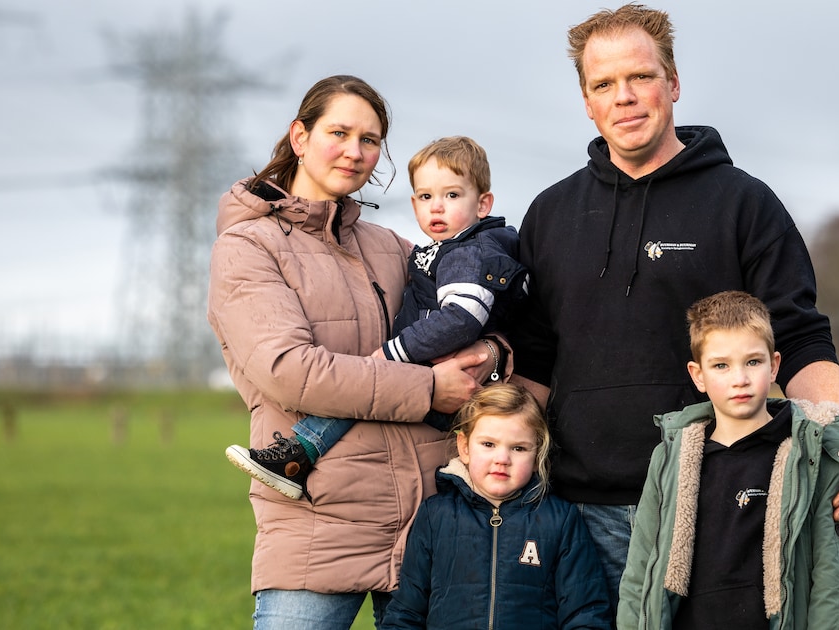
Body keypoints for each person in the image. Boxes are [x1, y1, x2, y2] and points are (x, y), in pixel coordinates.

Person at [508, 3, 839, 605]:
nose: (624, 97)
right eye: (604, 84)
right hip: (575, 514)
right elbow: (536, 362)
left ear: (673, 83)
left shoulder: (744, 205)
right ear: (586, 101)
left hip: (711, 505)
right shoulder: (549, 214)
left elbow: (801, 339)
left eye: (640, 77)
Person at [207, 75, 498, 629]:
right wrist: (430, 389)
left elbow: (477, 309)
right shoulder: (247, 247)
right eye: (339, 132)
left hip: (426, 526)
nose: (355, 151)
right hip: (317, 526)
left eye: (370, 140)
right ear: (299, 136)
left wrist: (492, 353)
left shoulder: (393, 247)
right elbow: (291, 373)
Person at [225, 135, 528, 500]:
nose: (437, 208)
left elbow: (461, 319)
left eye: (452, 196)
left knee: (367, 382)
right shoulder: (432, 250)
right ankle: (298, 455)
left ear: (483, 204)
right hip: (420, 389)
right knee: (365, 386)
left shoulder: (469, 251)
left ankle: (298, 454)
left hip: (443, 380)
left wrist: (395, 353)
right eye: (427, 197)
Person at [617, 291, 839, 628]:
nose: (740, 379)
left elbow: (836, 581)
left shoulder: (811, 455)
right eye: (721, 365)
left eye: (753, 362)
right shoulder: (670, 458)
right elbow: (639, 570)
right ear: (698, 374)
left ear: (774, 364)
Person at [379, 383, 611, 629]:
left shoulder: (561, 519)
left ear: (537, 456)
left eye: (518, 448)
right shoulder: (435, 515)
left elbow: (586, 613)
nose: (502, 459)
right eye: (488, 444)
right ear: (464, 447)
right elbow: (406, 613)